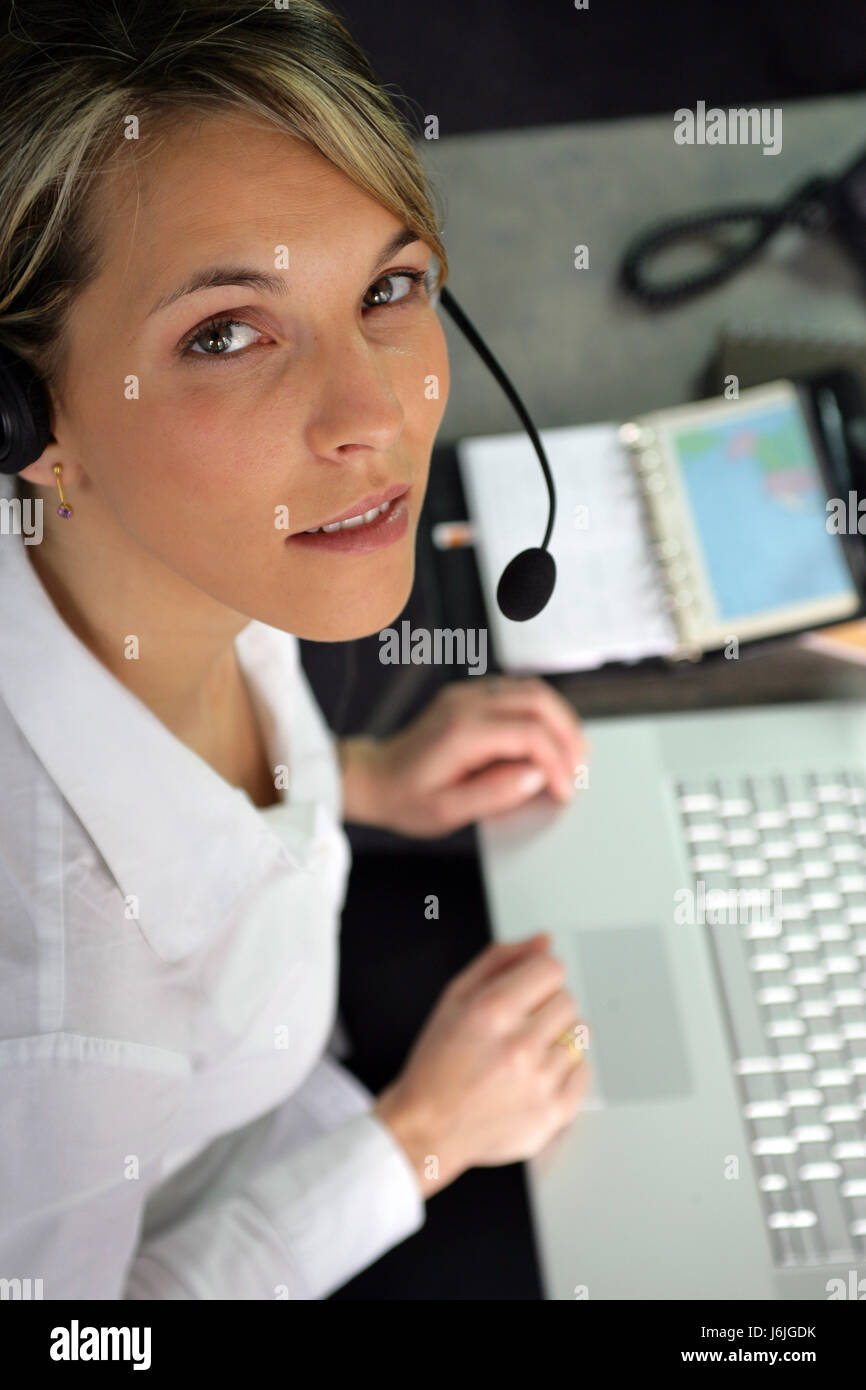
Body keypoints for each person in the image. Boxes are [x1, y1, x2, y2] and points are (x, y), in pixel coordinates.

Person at [0, 0, 590, 1300]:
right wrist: (420, 1139)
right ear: (29, 421)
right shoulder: (62, 1018)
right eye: (227, 334)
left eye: (385, 288)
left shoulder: (175, 544)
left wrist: (357, 778)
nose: (372, 415)